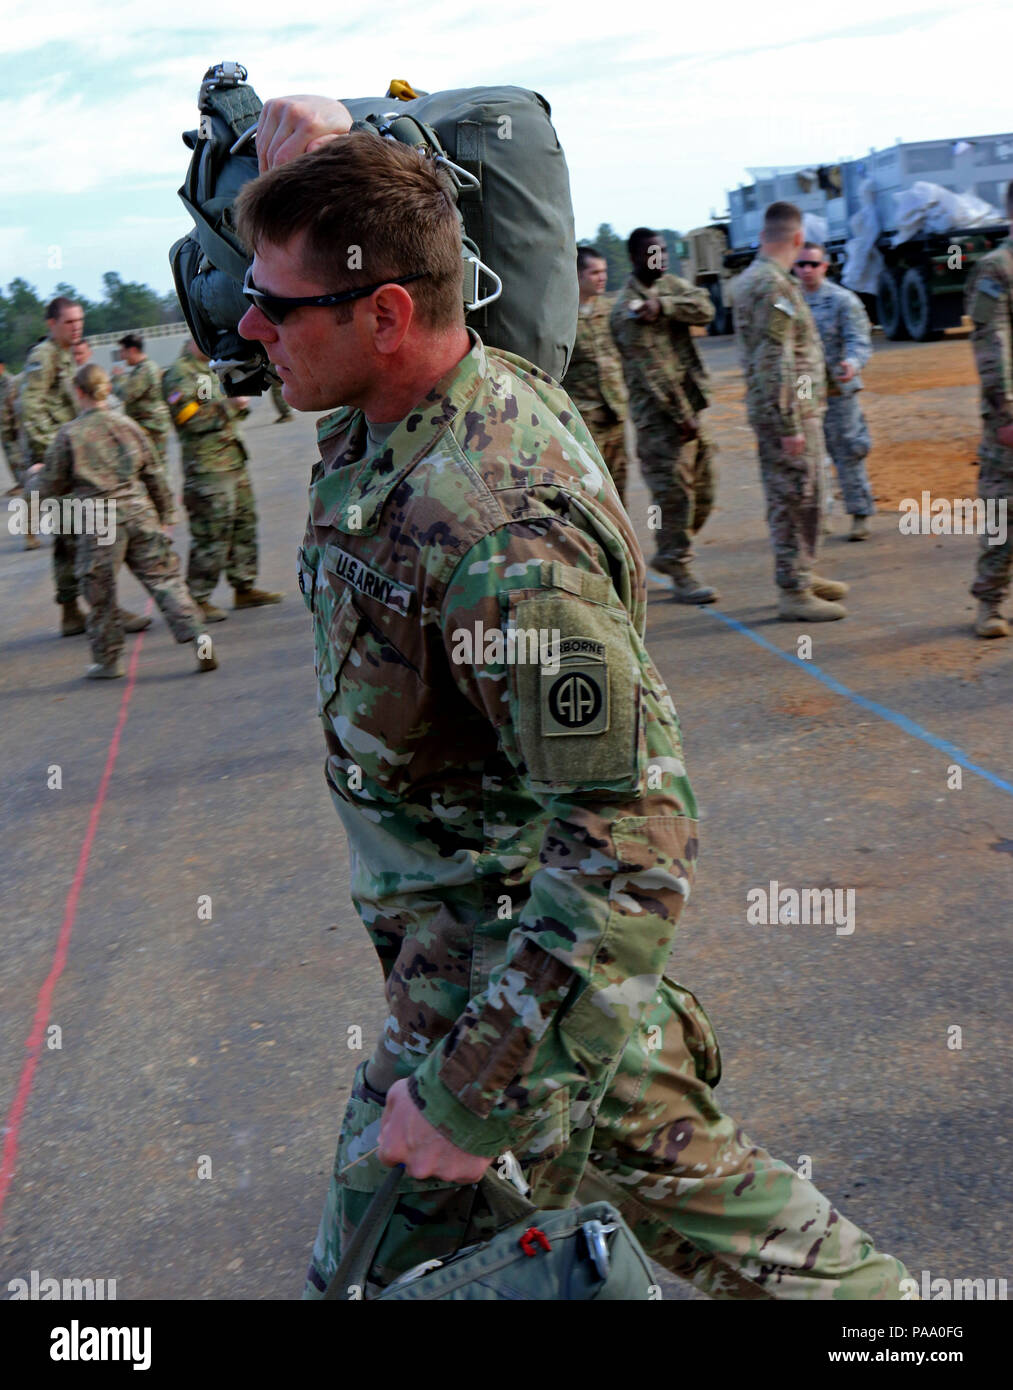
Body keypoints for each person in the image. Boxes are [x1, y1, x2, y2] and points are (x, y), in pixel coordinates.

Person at [235, 109, 913, 1301]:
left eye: (273, 308)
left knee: (794, 1271)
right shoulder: (394, 397)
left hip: (518, 1002)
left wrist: (472, 1095)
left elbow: (629, 836)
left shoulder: (498, 532)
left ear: (384, 317)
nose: (246, 328)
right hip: (457, 974)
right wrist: (329, 141)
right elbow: (411, 214)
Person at [27, 364, 217, 679]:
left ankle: (108, 660)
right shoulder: (128, 425)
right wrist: (165, 513)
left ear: (78, 392)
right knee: (166, 582)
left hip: (100, 520)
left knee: (100, 592)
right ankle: (201, 641)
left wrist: (33, 476)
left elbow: (49, 487)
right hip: (139, 512)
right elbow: (153, 473)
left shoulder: (70, 434)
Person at [734, 203, 849, 621]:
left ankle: (801, 571)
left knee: (801, 494)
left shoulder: (757, 279)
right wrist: (789, 423)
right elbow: (775, 358)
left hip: (788, 407)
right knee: (795, 498)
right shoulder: (773, 286)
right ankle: (794, 590)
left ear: (763, 236)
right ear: (798, 239)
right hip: (789, 412)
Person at [19, 299, 148, 631]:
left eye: (79, 321)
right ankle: (102, 611)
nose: (77, 327)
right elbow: (29, 409)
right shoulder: (44, 357)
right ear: (52, 324)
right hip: (58, 462)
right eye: (69, 322)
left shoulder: (63, 356)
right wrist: (56, 455)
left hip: (66, 458)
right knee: (87, 538)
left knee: (69, 538)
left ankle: (72, 612)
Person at [610, 228, 718, 604]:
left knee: (705, 488)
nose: (662, 259)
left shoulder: (669, 287)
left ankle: (671, 549)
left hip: (690, 411)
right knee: (673, 495)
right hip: (659, 420)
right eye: (653, 253)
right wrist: (682, 415)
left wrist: (666, 306)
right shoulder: (626, 311)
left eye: (664, 252)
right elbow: (651, 372)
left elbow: (706, 309)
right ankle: (678, 564)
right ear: (635, 259)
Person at [161, 338, 282, 621]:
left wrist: (238, 404)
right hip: (207, 468)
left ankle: (244, 587)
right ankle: (198, 598)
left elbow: (231, 410)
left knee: (243, 524)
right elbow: (187, 418)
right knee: (211, 534)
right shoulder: (179, 373)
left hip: (233, 459)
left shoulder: (214, 369)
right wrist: (230, 406)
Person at [794, 243, 875, 540]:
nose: (807, 270)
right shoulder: (787, 302)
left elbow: (859, 340)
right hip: (804, 386)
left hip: (837, 385)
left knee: (848, 449)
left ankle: (859, 514)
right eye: (801, 264)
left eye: (813, 264)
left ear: (825, 267)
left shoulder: (843, 300)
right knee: (809, 454)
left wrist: (852, 363)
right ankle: (819, 515)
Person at [964, 186, 1013, 639]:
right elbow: (991, 343)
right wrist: (1006, 412)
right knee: (1003, 510)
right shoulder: (996, 268)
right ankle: (989, 601)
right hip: (1010, 416)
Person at [563, 246, 629, 501]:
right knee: (591, 491)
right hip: (584, 420)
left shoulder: (611, 311)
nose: (602, 277)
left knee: (619, 489)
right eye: (595, 273)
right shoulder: (562, 317)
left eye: (604, 271)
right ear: (578, 275)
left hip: (615, 413)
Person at [113, 334, 172, 476]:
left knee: (155, 468)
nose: (122, 356)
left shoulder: (144, 370)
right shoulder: (144, 368)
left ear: (132, 350)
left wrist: (117, 379)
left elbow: (126, 394)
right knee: (154, 467)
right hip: (150, 427)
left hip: (150, 428)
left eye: (123, 351)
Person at [0, 360, 24, 498]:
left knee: (16, 453)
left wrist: (14, 423)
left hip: (11, 424)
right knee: (9, 454)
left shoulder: (9, 381)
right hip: (4, 425)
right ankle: (18, 482)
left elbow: (12, 403)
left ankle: (22, 482)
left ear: (1, 366)